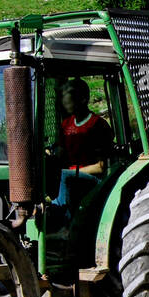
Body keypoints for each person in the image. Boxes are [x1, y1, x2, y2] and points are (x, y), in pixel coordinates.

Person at [54, 78, 113, 213]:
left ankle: (62, 216)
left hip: (92, 179)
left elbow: (100, 167)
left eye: (68, 96)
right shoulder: (66, 124)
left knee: (63, 176)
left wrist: (70, 172)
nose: (64, 100)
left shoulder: (98, 125)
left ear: (83, 99)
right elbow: (60, 154)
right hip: (68, 176)